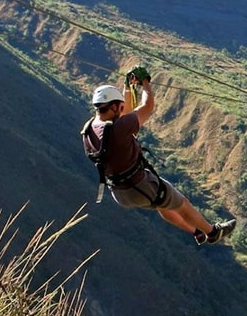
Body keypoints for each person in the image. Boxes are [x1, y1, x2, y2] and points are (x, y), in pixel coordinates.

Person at [81, 70, 235, 245]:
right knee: (182, 204)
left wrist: (128, 86)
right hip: (140, 185)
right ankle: (213, 232)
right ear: (114, 106)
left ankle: (196, 232)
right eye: (119, 105)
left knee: (162, 203)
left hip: (119, 192)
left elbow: (124, 113)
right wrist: (146, 83)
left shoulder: (89, 129)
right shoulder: (119, 128)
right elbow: (147, 107)